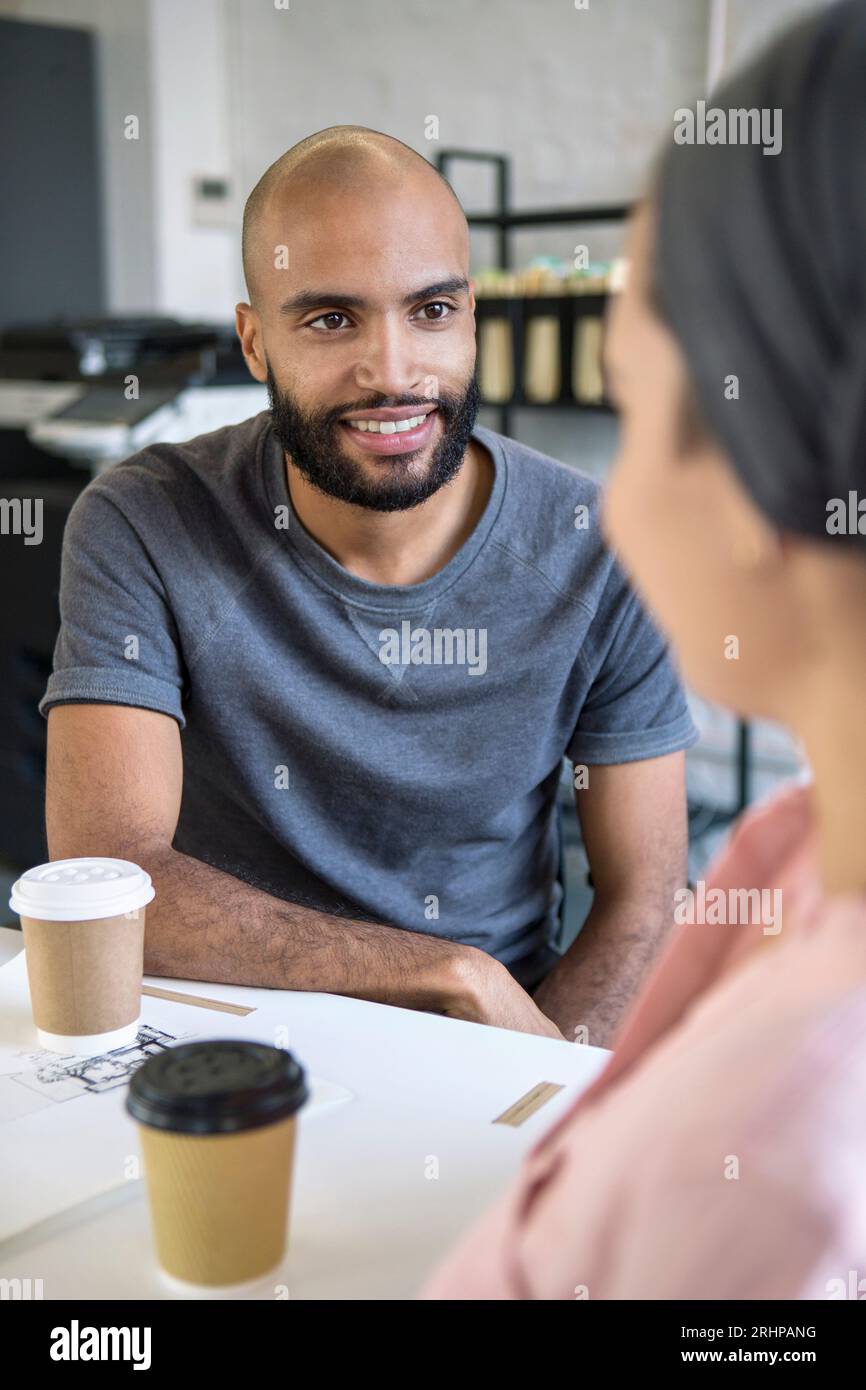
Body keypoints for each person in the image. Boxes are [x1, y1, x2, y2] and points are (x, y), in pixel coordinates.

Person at [41, 127, 697, 1045]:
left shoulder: (604, 552)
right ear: (255, 342)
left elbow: (646, 902)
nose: (392, 373)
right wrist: (444, 971)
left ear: (471, 319)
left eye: (432, 310)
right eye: (330, 320)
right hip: (226, 1031)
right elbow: (110, 874)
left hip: (497, 1042)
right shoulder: (144, 519)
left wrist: (552, 1084)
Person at [421, 0, 866, 1299]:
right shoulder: (801, 847)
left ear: (746, 468)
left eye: (626, 399)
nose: (608, 503)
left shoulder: (769, 1173)